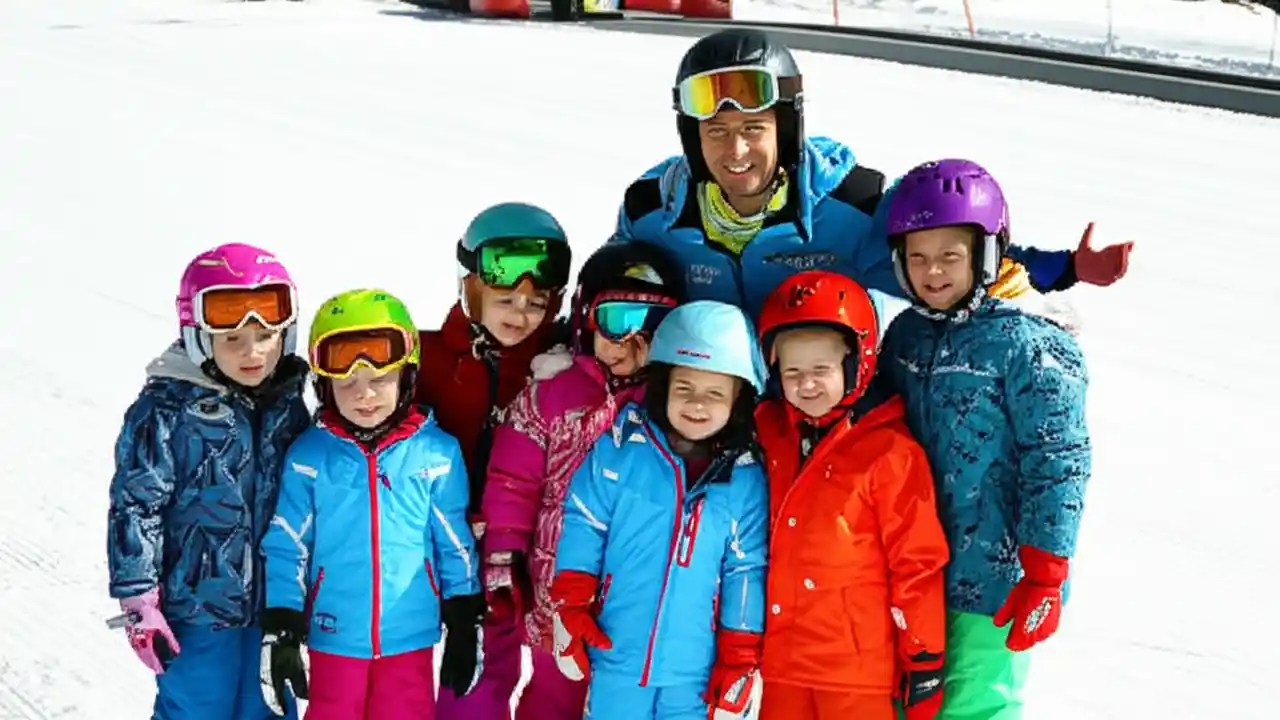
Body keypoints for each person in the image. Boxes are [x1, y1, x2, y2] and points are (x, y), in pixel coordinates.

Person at [612, 28, 1132, 320]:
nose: (737, 149)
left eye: (754, 128)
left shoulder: (852, 205)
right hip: (702, 417)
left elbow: (949, 247)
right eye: (716, 130)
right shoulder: (651, 210)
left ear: (788, 128)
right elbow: (610, 294)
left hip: (818, 412)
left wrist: (1063, 268)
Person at [877, 159, 1092, 719]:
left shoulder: (1028, 344)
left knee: (976, 707)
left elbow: (1059, 460)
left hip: (996, 580)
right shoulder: (904, 333)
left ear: (988, 253)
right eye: (918, 257)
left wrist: (1045, 570)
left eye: (951, 255)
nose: (934, 272)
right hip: (916, 569)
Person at [479, 242, 686, 720]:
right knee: (553, 697)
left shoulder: (670, 405)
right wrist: (505, 557)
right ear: (585, 320)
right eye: (616, 321)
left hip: (634, 601)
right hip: (556, 593)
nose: (631, 342)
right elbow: (512, 481)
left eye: (652, 327)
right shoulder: (552, 394)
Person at [106, 242, 311, 719]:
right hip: (194, 612)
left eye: (265, 337)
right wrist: (140, 599)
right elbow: (136, 505)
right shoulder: (165, 410)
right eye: (233, 341)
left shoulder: (288, 406)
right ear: (199, 337)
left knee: (269, 708)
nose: (253, 353)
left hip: (271, 611)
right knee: (196, 708)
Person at [260, 289, 484, 720]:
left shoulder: (436, 454)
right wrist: (283, 624)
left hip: (410, 636)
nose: (364, 395)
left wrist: (463, 613)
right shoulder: (310, 457)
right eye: (346, 382)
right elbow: (288, 545)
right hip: (333, 636)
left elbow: (455, 542)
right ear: (324, 386)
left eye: (379, 379)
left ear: (407, 376)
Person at [550, 300, 769, 720]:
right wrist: (572, 604)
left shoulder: (744, 480)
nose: (697, 405)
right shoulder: (620, 450)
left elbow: (746, 569)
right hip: (615, 653)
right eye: (684, 389)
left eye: (715, 393)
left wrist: (740, 656)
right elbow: (584, 520)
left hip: (695, 675)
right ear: (662, 383)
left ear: (739, 398)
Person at [752, 271, 949, 720]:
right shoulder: (769, 434)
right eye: (792, 372)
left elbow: (916, 562)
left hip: (856, 671)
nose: (806, 385)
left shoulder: (890, 453)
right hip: (781, 666)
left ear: (856, 363)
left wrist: (923, 658)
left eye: (821, 370)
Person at [414, 201, 573, 720]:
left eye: (535, 303)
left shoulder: (563, 366)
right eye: (505, 298)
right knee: (473, 677)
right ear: (471, 289)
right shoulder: (430, 360)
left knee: (547, 676)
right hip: (452, 555)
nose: (520, 315)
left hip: (536, 549)